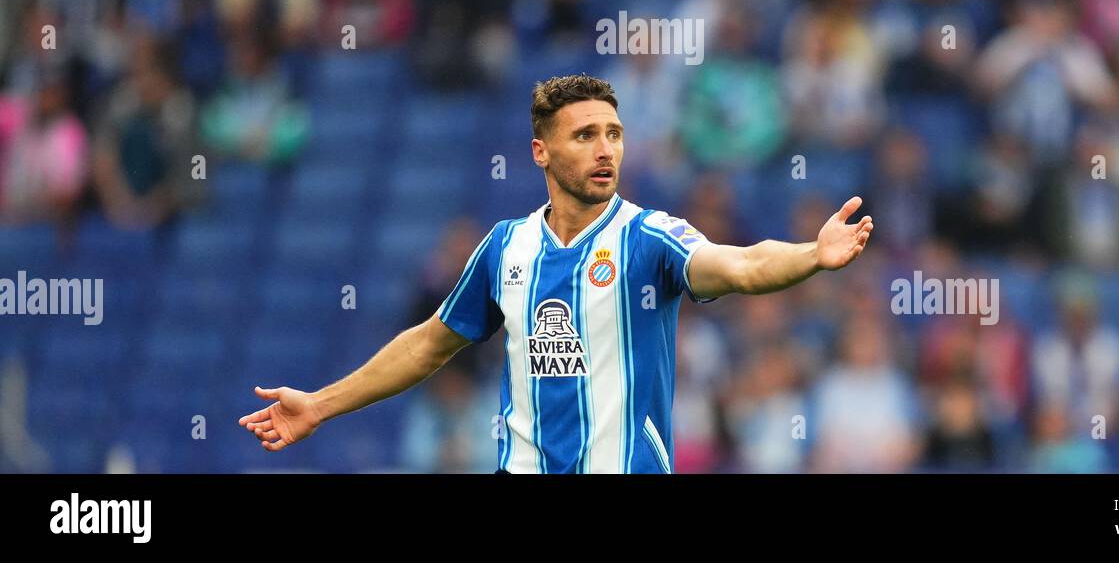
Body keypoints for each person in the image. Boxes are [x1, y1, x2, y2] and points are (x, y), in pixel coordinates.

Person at [239, 74, 874, 472]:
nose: (606, 150)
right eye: (586, 136)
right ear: (541, 151)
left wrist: (811, 255)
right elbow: (430, 344)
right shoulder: (504, 248)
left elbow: (738, 265)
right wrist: (319, 405)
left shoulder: (648, 237)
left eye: (616, 134)